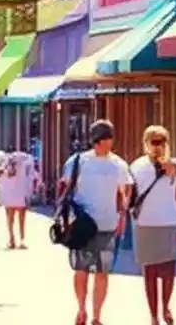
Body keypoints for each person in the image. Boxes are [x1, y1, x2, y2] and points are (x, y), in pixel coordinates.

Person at [58, 119, 132, 325]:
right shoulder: (78, 161)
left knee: (102, 272)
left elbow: (123, 192)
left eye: (110, 138)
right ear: (96, 141)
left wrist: (122, 217)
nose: (109, 143)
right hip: (82, 225)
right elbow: (65, 187)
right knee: (81, 269)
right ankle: (81, 310)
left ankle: (97, 316)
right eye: (105, 139)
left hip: (108, 224)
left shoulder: (118, 164)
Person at [130, 126, 176, 325]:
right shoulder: (137, 166)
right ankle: (154, 314)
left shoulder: (175, 166)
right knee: (150, 271)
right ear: (145, 144)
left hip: (169, 221)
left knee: (169, 269)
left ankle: (166, 307)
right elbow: (130, 195)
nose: (158, 147)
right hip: (146, 223)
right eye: (153, 142)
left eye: (162, 142)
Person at [0, 144, 39, 249]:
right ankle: (22, 239)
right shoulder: (28, 160)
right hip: (22, 191)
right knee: (22, 217)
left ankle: (11, 239)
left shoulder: (5, 160)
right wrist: (31, 191)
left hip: (8, 193)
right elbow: (32, 176)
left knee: (10, 218)